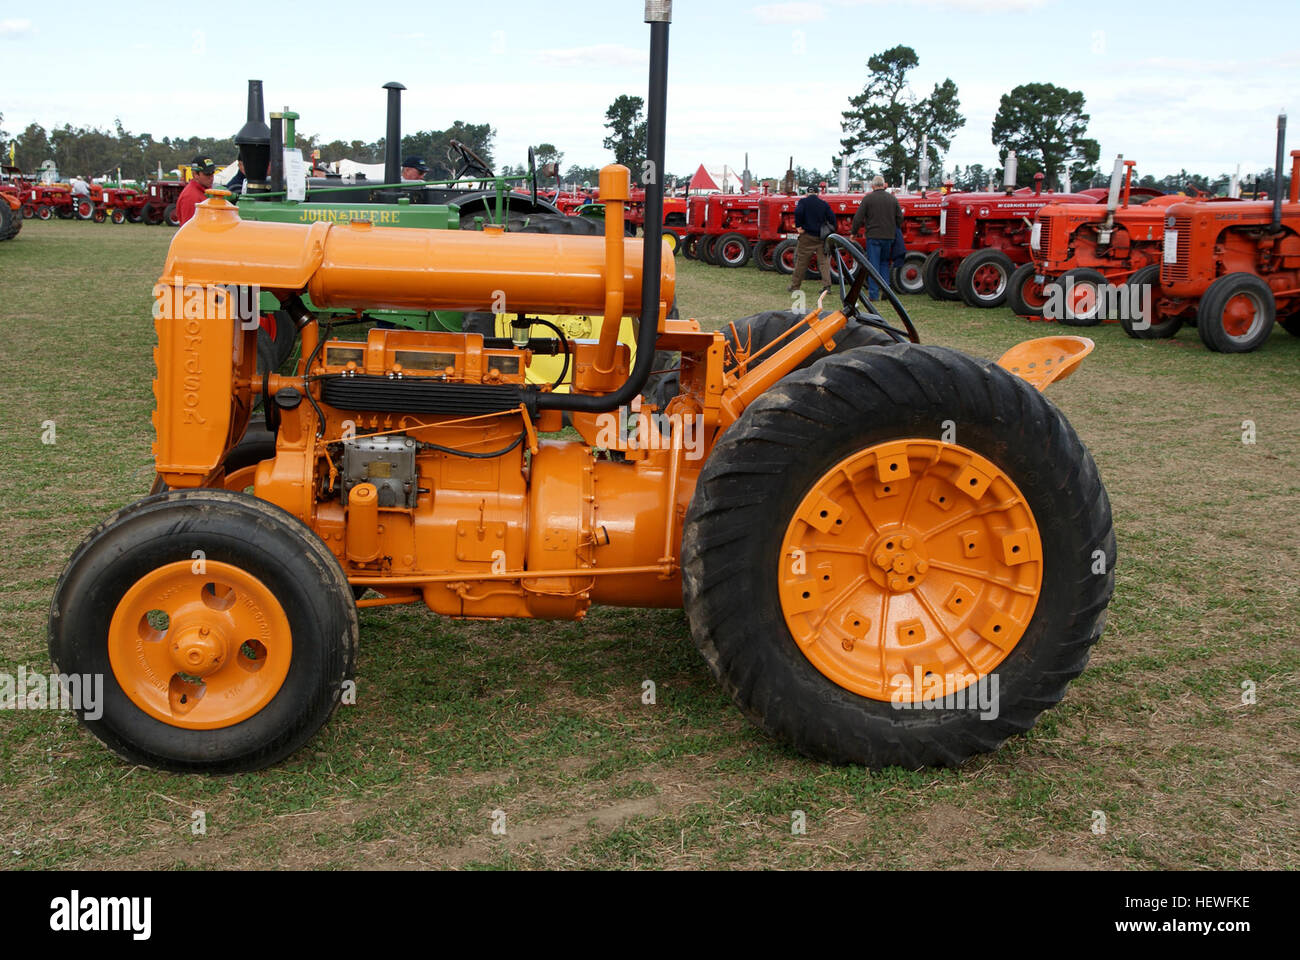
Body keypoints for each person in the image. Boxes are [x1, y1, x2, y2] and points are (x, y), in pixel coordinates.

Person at [851, 175, 903, 300]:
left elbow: (858, 217)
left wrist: (853, 232)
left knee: (873, 265)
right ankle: (887, 291)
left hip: (873, 236)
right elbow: (900, 218)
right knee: (884, 263)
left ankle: (873, 294)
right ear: (884, 185)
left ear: (873, 186)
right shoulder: (892, 199)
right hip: (889, 236)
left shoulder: (868, 199)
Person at [789, 185, 836, 293]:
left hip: (807, 236)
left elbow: (798, 212)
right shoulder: (823, 204)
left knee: (801, 261)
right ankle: (827, 286)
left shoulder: (803, 202)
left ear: (807, 193)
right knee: (823, 262)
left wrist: (798, 226)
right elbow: (832, 219)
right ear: (817, 193)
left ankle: (795, 286)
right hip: (820, 237)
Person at [176, 156, 216, 226]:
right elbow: (189, 228)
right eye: (207, 174)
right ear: (195, 174)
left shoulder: (205, 192)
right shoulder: (190, 197)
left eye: (213, 172)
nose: (211, 177)